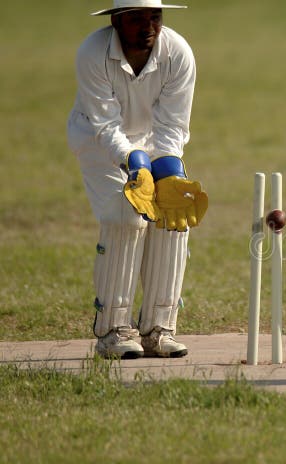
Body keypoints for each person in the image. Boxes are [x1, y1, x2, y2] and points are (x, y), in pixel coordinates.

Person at [68, 0, 208, 359]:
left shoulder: (177, 52)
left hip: (153, 144)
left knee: (173, 216)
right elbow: (105, 125)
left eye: (154, 17)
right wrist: (133, 163)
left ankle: (159, 329)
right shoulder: (93, 52)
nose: (147, 26)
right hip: (98, 144)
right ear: (116, 21)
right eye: (135, 18)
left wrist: (169, 171)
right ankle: (113, 330)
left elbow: (173, 125)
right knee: (126, 217)